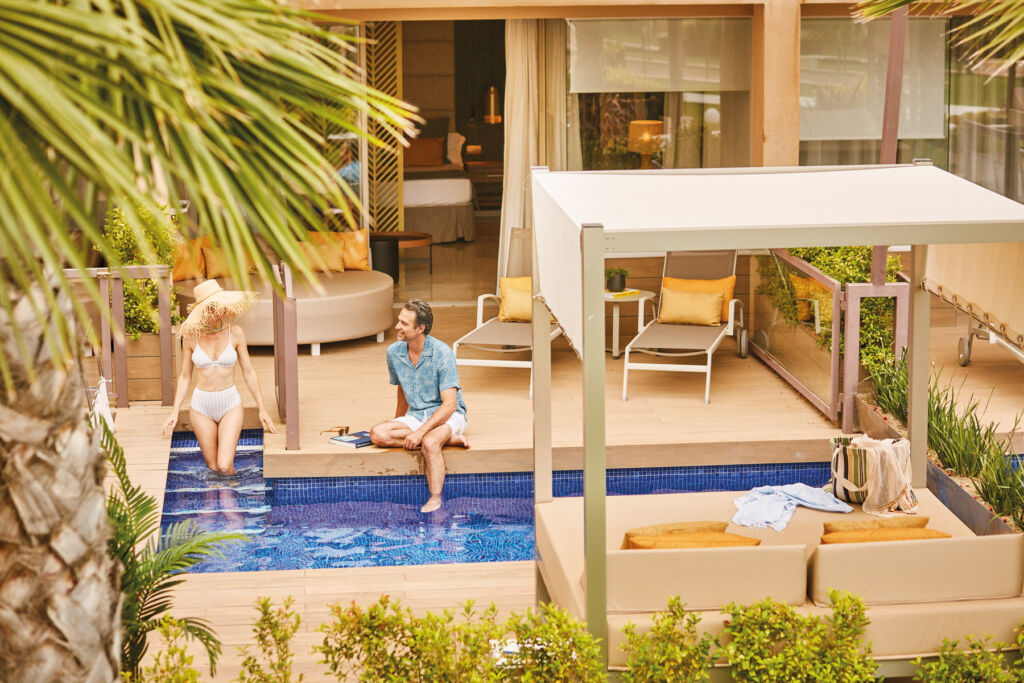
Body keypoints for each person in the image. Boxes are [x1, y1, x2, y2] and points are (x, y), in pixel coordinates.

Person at [161, 279, 276, 474]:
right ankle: (223, 493)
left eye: (220, 303)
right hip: (201, 407)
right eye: (213, 305)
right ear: (204, 310)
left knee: (224, 465)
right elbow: (185, 377)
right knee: (214, 467)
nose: (220, 309)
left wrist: (262, 409)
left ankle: (234, 491)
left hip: (230, 404)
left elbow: (248, 372)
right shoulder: (191, 336)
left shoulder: (235, 333)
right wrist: (174, 411)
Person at [370, 299, 469, 513]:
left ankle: (435, 499)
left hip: (448, 414)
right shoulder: (394, 352)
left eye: (404, 324)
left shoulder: (442, 353)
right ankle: (448, 439)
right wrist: (397, 420)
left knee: (430, 444)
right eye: (399, 321)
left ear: (420, 328)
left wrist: (420, 433)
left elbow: (450, 405)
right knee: (378, 434)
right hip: (416, 414)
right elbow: (402, 389)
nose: (397, 326)